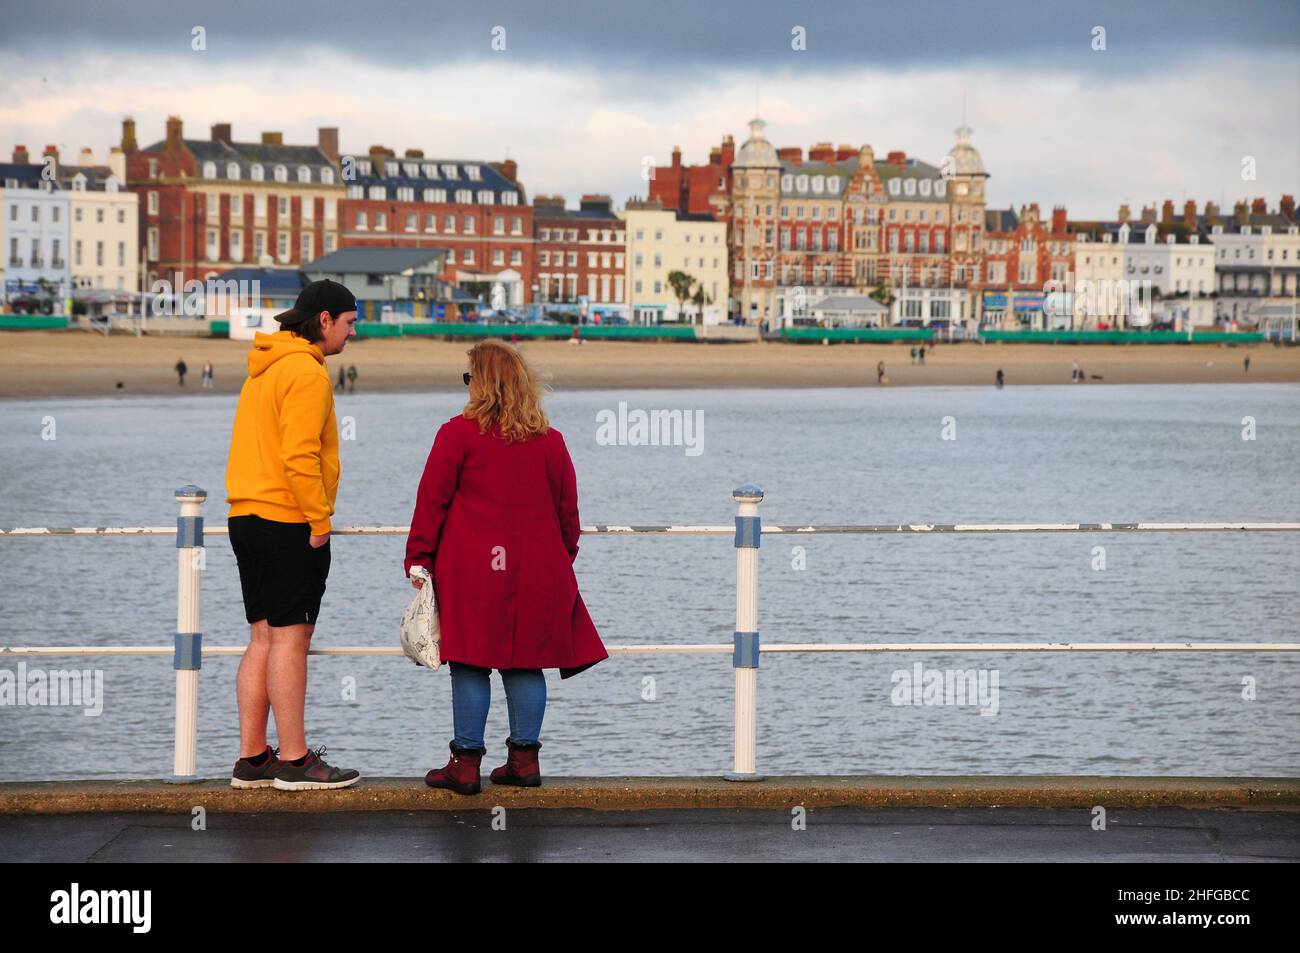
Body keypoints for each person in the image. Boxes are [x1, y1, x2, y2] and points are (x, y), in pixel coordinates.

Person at [405, 339, 608, 795]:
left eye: (470, 377)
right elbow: (568, 516)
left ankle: (464, 765)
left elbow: (431, 504)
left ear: (485, 385)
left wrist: (418, 558)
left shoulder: (456, 434)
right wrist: (557, 559)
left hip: (474, 570)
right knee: (526, 665)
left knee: (471, 663)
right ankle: (523, 761)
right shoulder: (551, 442)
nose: (467, 385)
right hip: (539, 570)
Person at [225, 279, 360, 791]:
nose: (351, 334)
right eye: (348, 323)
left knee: (261, 636)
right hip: (288, 520)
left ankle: (253, 758)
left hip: (246, 515)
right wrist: (319, 522)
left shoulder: (264, 368)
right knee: (290, 640)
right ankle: (297, 760)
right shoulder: (306, 373)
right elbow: (299, 455)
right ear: (323, 320)